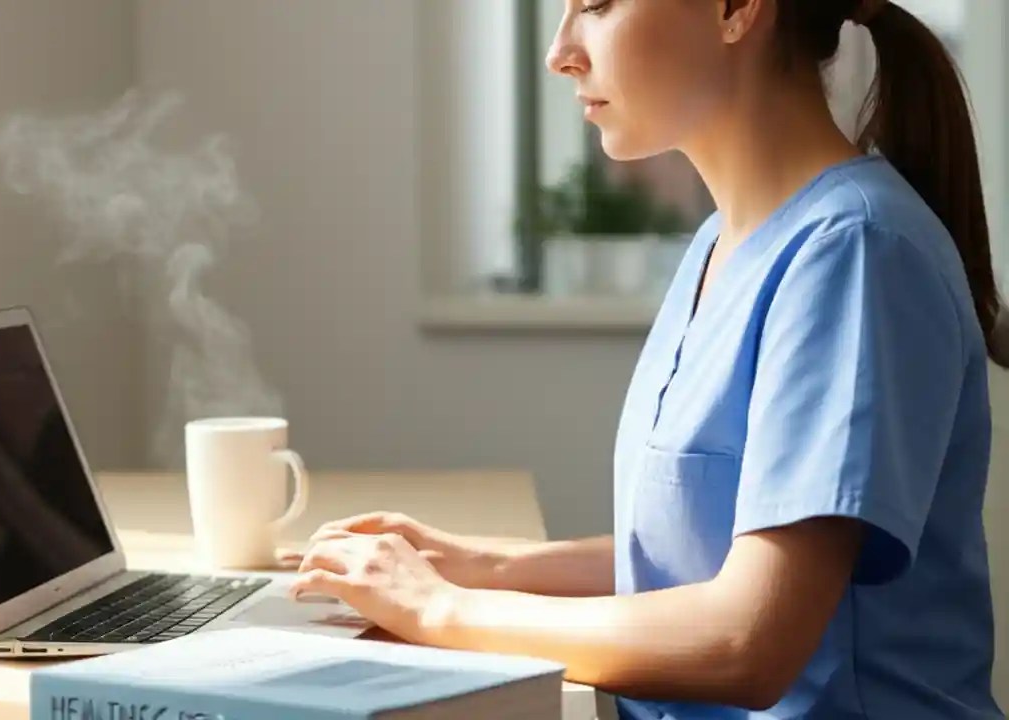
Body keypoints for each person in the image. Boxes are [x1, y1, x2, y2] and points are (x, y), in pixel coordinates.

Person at [287, 0, 1009, 717]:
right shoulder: (721, 247)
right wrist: (489, 565)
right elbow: (705, 550)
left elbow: (745, 641)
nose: (560, 51)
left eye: (597, 5)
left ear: (735, 9)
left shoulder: (855, 252)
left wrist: (442, 609)